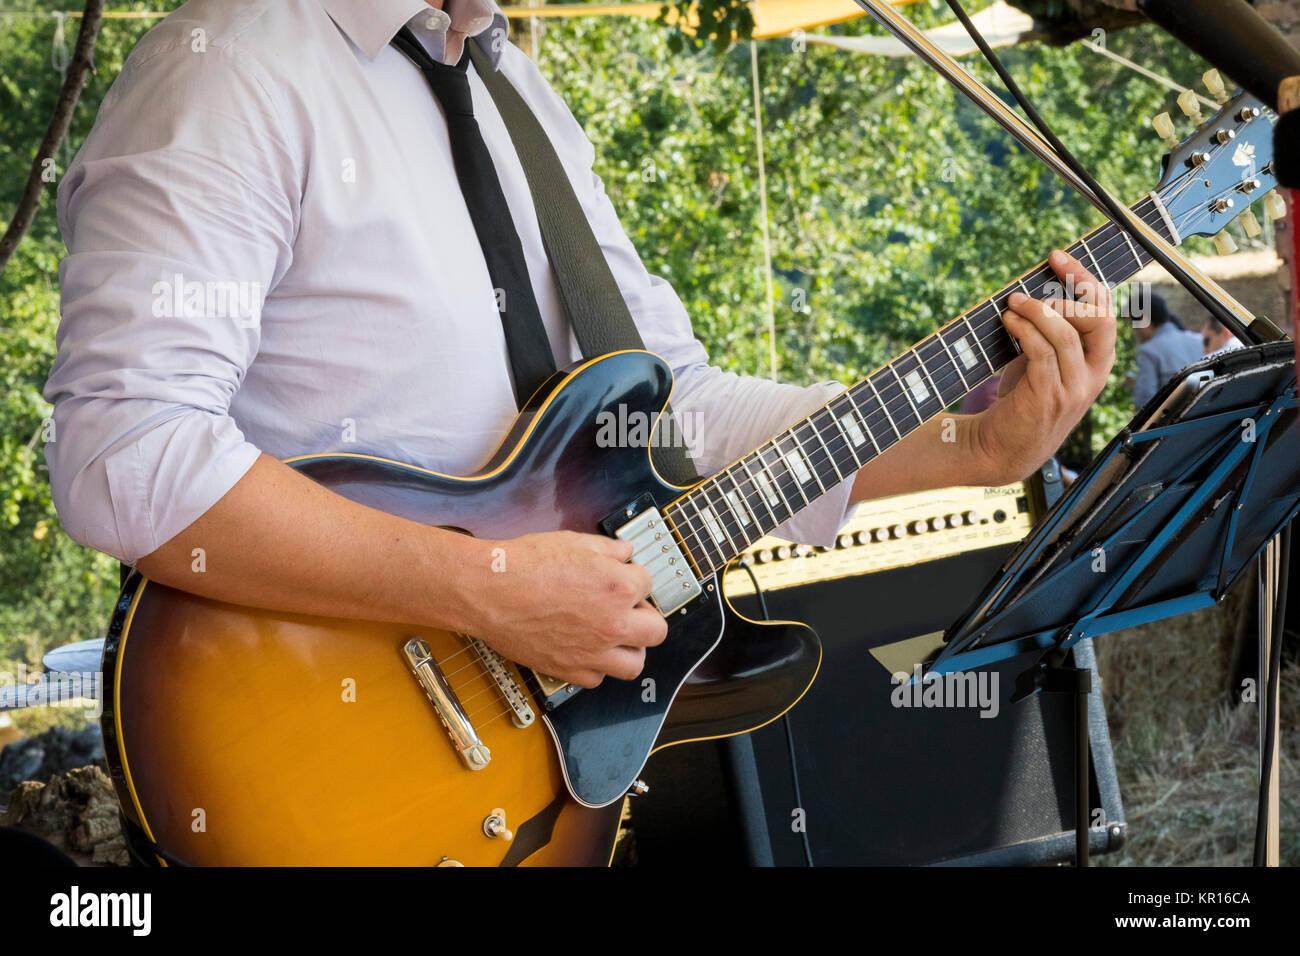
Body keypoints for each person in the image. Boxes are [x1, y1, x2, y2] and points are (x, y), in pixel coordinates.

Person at [43, 0, 1116, 690]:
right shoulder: (228, 68)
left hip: (535, 765)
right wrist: (481, 588)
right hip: (314, 732)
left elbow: (667, 412)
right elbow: (125, 457)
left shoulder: (519, 92)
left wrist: (968, 447)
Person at [1129, 294, 1203, 409]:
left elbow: (1144, 402)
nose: (1133, 330)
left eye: (1131, 323)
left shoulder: (1148, 351)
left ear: (1143, 319)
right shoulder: (1198, 339)